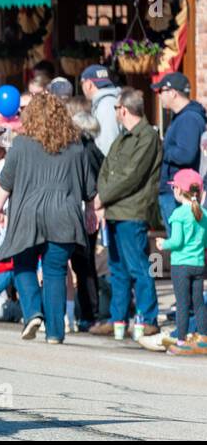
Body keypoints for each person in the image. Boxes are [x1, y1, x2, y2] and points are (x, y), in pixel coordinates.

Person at [0, 93, 96, 344]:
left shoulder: (21, 144)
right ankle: (55, 333)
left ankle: (33, 312)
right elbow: (89, 187)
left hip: (28, 214)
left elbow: (5, 183)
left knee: (24, 265)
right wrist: (91, 211)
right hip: (64, 215)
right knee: (55, 272)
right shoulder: (76, 145)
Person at [89, 87, 163, 341]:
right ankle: (117, 318)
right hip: (114, 211)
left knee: (138, 267)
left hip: (133, 211)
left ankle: (148, 318)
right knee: (117, 268)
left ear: (124, 109)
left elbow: (131, 176)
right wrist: (101, 198)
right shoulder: (123, 137)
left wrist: (102, 197)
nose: (116, 114)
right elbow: (108, 168)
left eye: (116, 109)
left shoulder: (146, 137)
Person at [156, 169, 207, 355]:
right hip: (199, 264)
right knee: (198, 302)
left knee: (183, 304)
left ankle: (181, 340)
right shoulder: (204, 214)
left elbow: (177, 241)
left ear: (178, 190)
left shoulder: (179, 214)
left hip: (181, 265)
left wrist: (163, 244)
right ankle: (203, 339)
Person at [63, 99, 103, 333]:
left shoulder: (85, 151)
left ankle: (89, 313)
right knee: (83, 264)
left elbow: (89, 184)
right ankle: (87, 312)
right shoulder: (92, 149)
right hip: (86, 211)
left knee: (83, 264)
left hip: (84, 211)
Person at [151, 72, 206, 231]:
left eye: (161, 91)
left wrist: (163, 149)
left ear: (173, 93)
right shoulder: (182, 117)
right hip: (175, 191)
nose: (159, 96)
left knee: (181, 248)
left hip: (179, 193)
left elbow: (186, 155)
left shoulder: (188, 119)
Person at [80, 65, 120, 155]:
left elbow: (109, 148)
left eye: (81, 83)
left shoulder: (106, 106)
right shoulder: (110, 101)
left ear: (88, 85)